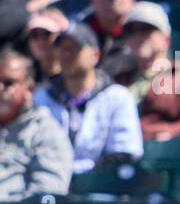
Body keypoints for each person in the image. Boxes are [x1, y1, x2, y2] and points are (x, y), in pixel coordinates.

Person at [34, 22, 141, 173]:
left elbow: (125, 153)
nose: (66, 55)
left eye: (74, 49)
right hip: (48, 186)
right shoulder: (41, 98)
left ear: (95, 55)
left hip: (100, 188)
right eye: (62, 49)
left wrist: (83, 176)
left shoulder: (117, 97)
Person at [122, 1, 180, 140]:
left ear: (166, 39)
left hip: (161, 153)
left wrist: (158, 132)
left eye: (146, 28)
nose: (137, 36)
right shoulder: (119, 77)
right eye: (130, 30)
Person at [0, 49, 72, 199]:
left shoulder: (45, 131)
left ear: (30, 88)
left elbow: (50, 195)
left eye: (8, 83)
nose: (0, 89)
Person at [23, 8, 67, 83]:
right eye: (34, 35)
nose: (41, 41)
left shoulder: (74, 75)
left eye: (47, 33)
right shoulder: (24, 78)